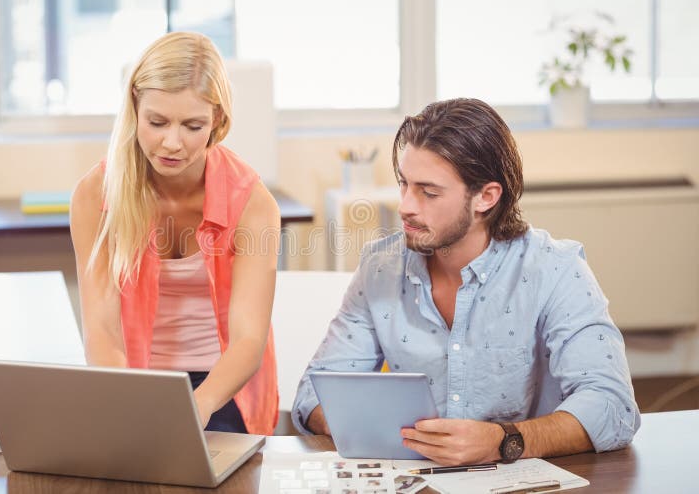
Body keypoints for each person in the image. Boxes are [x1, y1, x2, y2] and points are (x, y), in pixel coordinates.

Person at [292, 98, 640, 464]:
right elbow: (313, 395)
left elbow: (612, 405)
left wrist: (502, 441)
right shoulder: (381, 268)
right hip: (413, 478)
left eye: (428, 192)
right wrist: (379, 426)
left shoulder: (555, 269)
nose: (406, 206)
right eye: (404, 184)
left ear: (486, 198)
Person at [70, 32, 280, 435]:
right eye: (157, 122)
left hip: (222, 389)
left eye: (192, 125)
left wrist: (193, 408)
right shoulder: (94, 195)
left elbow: (248, 340)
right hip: (135, 379)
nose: (172, 143)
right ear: (134, 108)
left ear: (217, 121)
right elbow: (102, 329)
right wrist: (132, 400)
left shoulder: (253, 204)